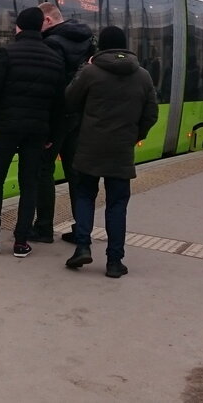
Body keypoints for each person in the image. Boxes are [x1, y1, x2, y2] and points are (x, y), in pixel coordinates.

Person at [0, 7, 64, 258]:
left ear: (18, 27)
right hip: (37, 132)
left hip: (6, 128)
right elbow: (58, 104)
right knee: (29, 183)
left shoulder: (7, 53)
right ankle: (21, 242)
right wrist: (51, 135)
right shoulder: (54, 59)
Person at [63, 26, 158, 279]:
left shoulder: (90, 72)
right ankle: (114, 262)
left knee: (84, 195)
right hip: (121, 150)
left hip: (90, 147)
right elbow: (151, 114)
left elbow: (70, 100)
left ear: (101, 47)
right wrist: (135, 135)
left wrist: (84, 69)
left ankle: (82, 246)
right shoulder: (143, 76)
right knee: (117, 205)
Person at [33, 1, 95, 245]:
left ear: (48, 20)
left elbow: (52, 85)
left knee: (43, 170)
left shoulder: (51, 43)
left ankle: (43, 227)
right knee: (76, 174)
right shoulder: (88, 40)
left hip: (58, 115)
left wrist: (47, 126)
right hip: (80, 116)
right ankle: (81, 230)